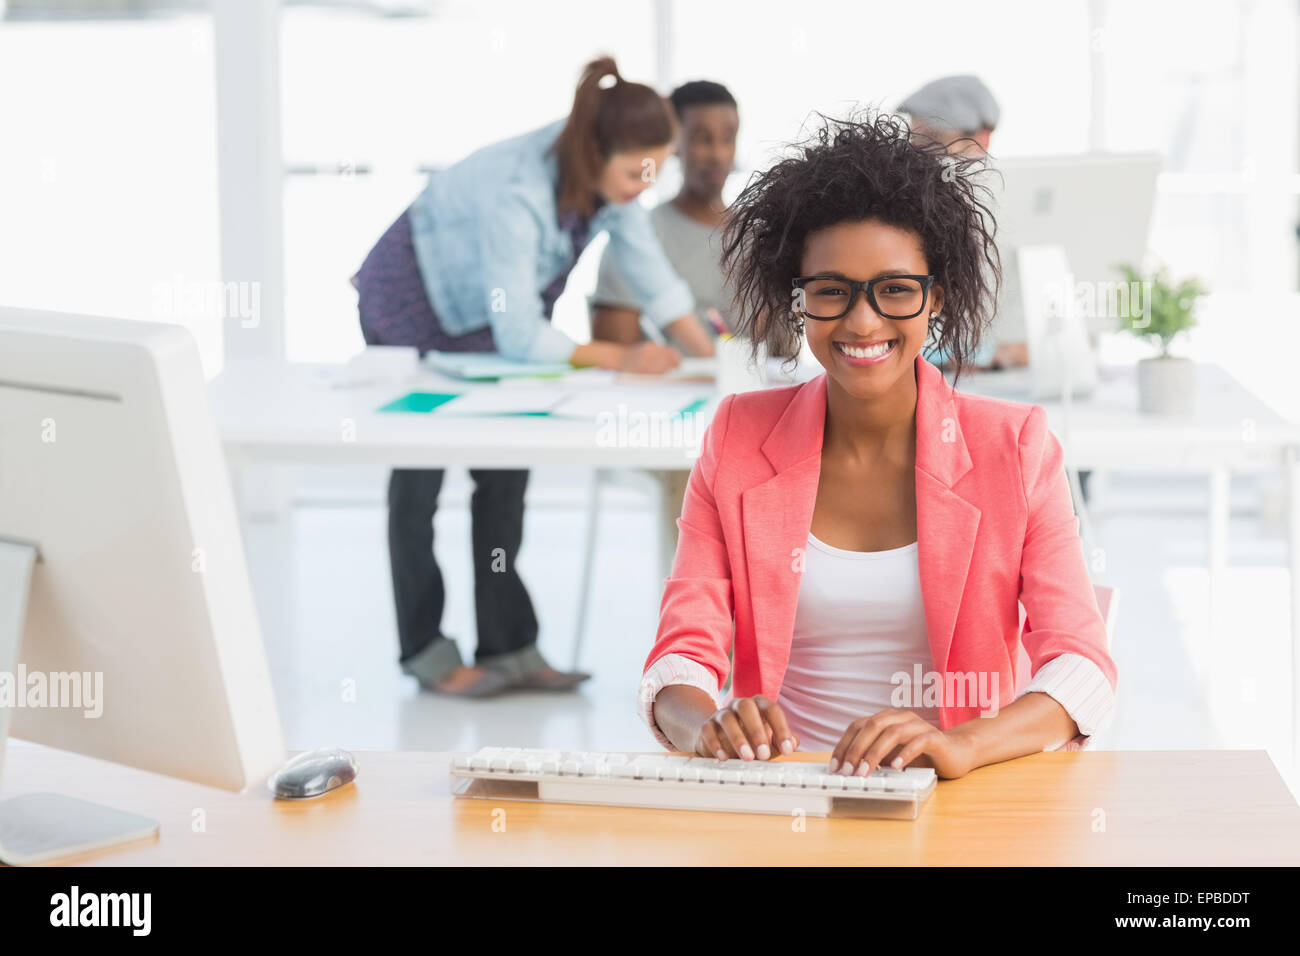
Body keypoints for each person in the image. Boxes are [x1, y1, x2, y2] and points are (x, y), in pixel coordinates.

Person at [638, 113, 1116, 778]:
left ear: (937, 297)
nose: (862, 322)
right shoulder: (739, 437)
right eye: (831, 292)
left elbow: (1081, 666)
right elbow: (682, 655)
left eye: (895, 290)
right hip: (787, 795)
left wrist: (963, 745)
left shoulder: (1015, 446)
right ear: (798, 299)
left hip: (959, 798)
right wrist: (706, 725)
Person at [354, 56, 714, 698]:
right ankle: (427, 653)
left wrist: (708, 359)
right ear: (597, 153)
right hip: (411, 303)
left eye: (653, 171)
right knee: (419, 479)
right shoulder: (518, 191)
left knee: (505, 465)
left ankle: (510, 647)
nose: (643, 186)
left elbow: (651, 273)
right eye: (636, 172)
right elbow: (520, 333)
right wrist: (621, 357)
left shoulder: (611, 174)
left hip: (491, 318)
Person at [588, 79, 739, 343]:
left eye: (728, 139)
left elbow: (786, 354)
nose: (718, 154)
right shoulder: (635, 235)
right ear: (672, 143)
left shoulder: (765, 240)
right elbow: (615, 353)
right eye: (702, 140)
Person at [899, 74, 1028, 370]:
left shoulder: (1004, 198)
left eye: (931, 138)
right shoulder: (906, 197)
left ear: (981, 140)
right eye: (916, 135)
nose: (914, 148)